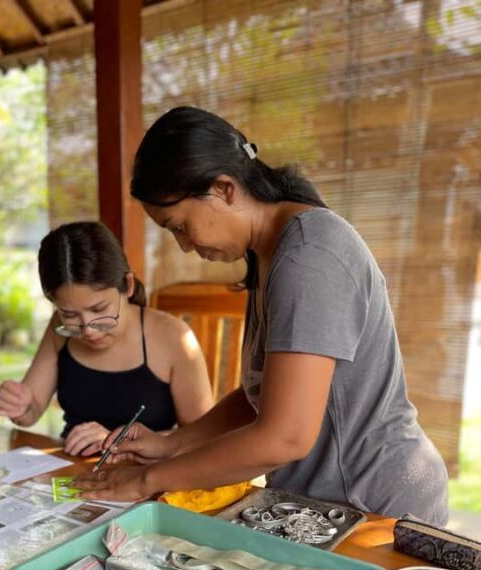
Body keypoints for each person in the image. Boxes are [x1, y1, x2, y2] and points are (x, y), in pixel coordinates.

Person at [80, 106, 449, 525]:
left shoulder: (309, 256)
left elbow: (283, 436)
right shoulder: (269, 254)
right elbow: (264, 395)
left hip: (374, 507)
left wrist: (148, 480)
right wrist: (175, 444)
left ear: (224, 188)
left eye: (180, 226)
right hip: (320, 504)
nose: (183, 245)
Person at [0, 221, 213, 455]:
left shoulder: (174, 337)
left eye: (99, 309)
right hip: (73, 471)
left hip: (144, 476)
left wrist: (116, 441)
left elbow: (203, 436)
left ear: (127, 285)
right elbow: (31, 411)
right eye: (69, 314)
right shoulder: (59, 328)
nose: (88, 329)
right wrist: (18, 405)